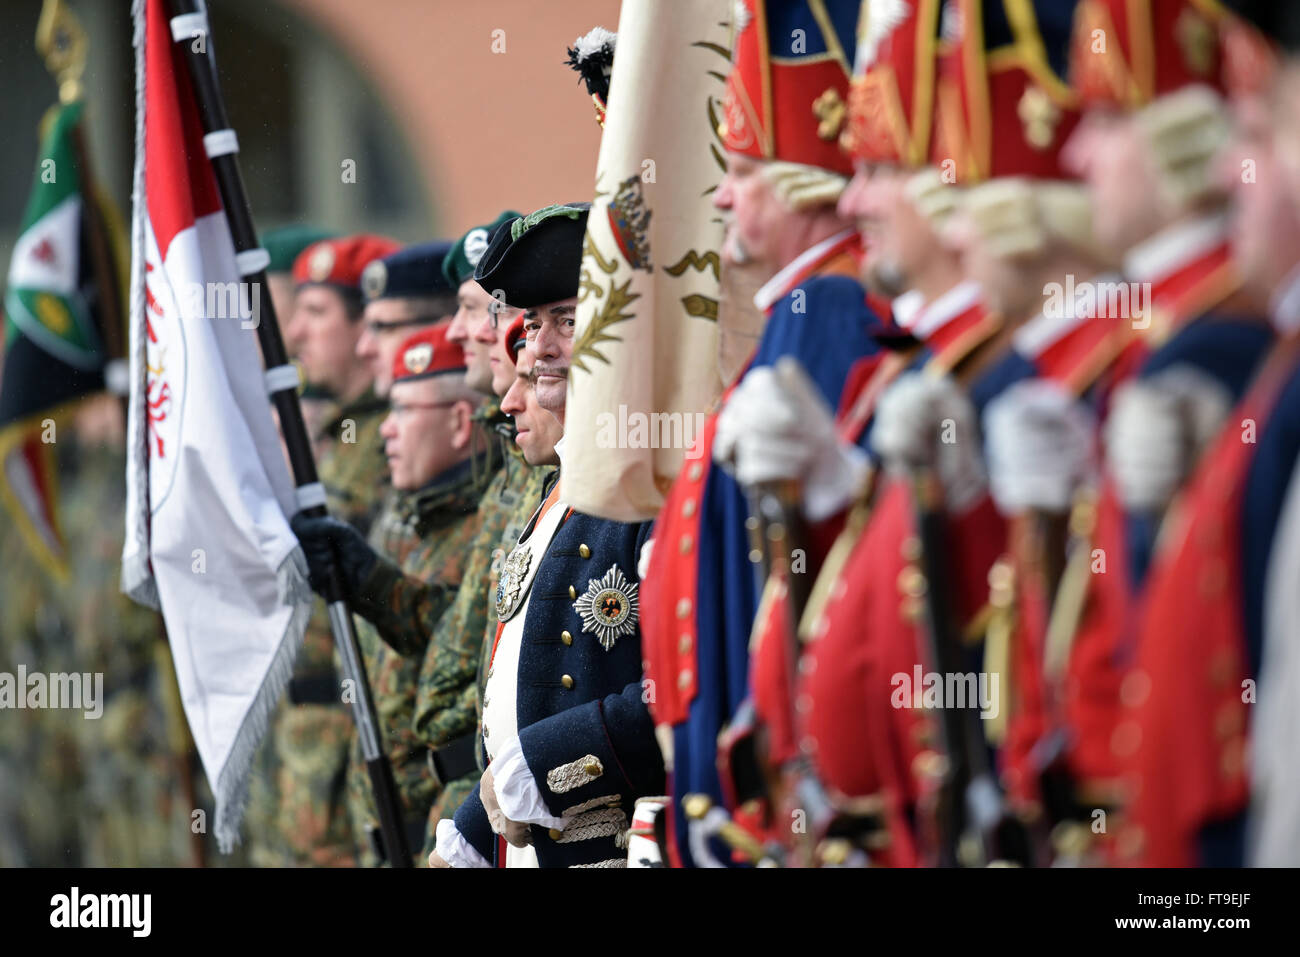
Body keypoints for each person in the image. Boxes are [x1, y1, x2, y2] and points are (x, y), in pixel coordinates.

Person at [639, 0, 889, 867]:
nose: (720, 194)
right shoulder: (801, 306)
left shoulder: (829, 307)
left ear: (804, 188)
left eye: (741, 171)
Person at [432, 203, 663, 868]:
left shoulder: (654, 480)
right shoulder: (560, 492)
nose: (541, 348)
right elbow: (524, 702)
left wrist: (540, 764)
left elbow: (682, 690)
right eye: (533, 326)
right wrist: (473, 833)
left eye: (567, 319)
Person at [245, 232, 398, 866]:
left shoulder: (395, 431)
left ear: (363, 324)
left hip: (351, 735)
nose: (298, 335)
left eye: (315, 314)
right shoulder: (328, 434)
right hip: (298, 732)